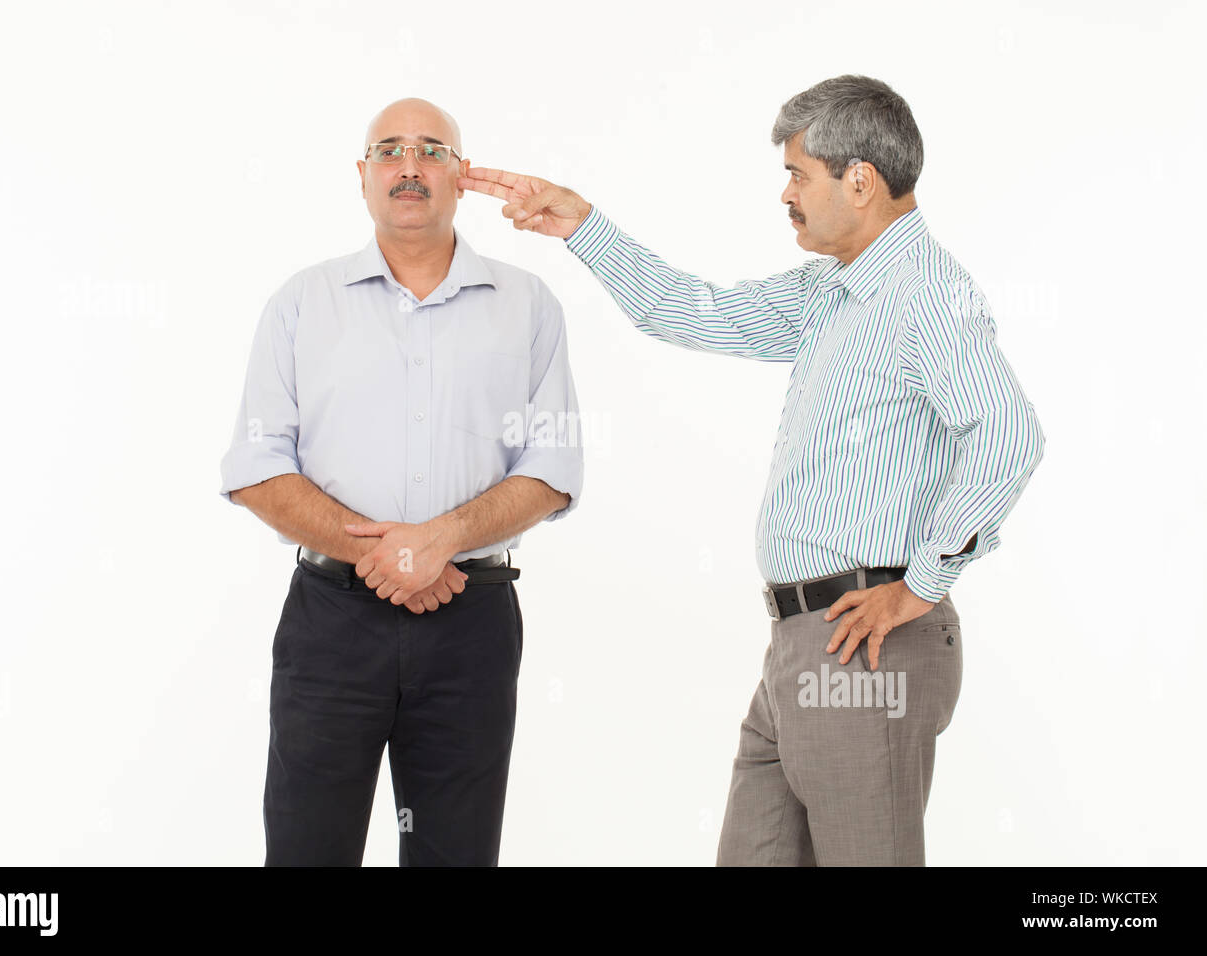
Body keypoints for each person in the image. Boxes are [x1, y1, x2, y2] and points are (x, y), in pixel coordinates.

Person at [459, 75, 1044, 866]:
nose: (786, 194)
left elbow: (1009, 434)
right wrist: (581, 224)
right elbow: (687, 309)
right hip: (800, 648)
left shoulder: (926, 296)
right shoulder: (830, 293)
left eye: (799, 174)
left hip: (866, 647)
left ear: (860, 180)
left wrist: (922, 584)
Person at [219, 97, 583, 866]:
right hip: (330, 626)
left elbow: (553, 470)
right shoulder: (300, 304)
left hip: (471, 626)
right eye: (389, 151)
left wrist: (439, 540)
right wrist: (384, 556)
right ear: (363, 177)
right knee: (306, 850)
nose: (409, 166)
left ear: (462, 176)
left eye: (431, 150)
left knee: (455, 854)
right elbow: (257, 468)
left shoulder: (527, 306)